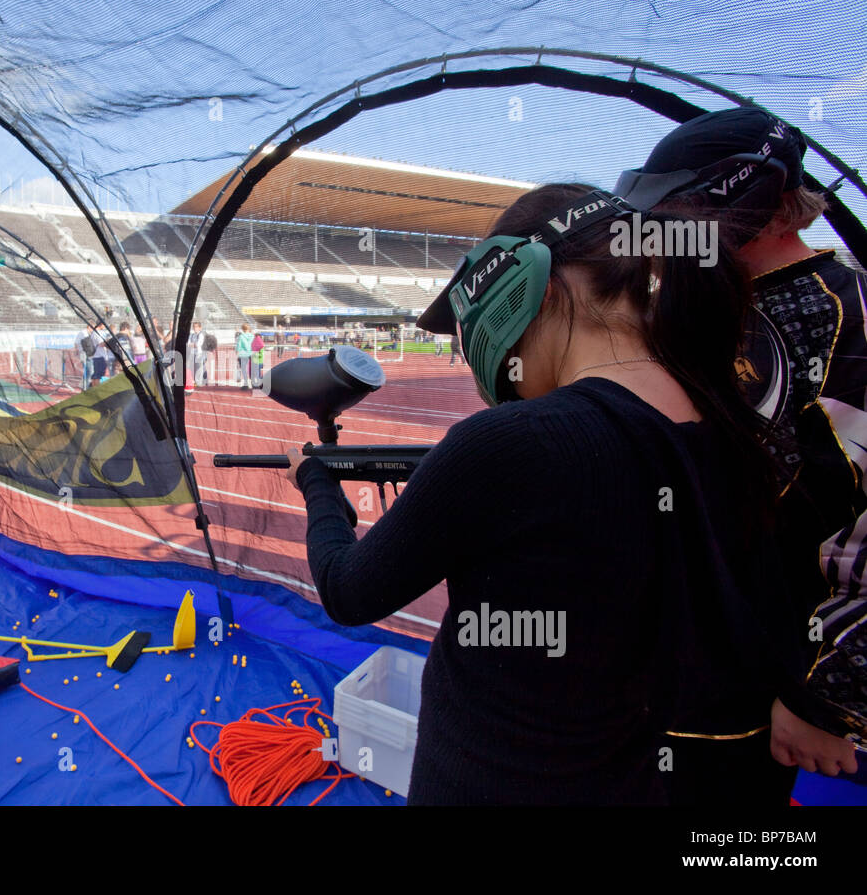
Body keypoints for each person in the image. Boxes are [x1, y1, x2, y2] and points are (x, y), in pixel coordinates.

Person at [286, 183, 792, 804]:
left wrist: (315, 481)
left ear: (534, 288)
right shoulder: (734, 429)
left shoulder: (510, 444)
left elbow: (348, 588)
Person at [617, 108, 865, 786]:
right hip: (677, 675)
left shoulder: (848, 314)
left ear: (772, 205)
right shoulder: (714, 311)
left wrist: (829, 691)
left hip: (764, 688)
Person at [76, 324, 97, 391]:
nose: (93, 330)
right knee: (89, 371)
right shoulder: (83, 333)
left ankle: (85, 386)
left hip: (88, 354)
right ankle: (86, 387)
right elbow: (77, 343)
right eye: (92, 328)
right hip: (85, 354)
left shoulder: (87, 333)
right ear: (89, 327)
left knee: (89, 371)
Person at [235, 323, 254, 389]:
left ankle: (246, 383)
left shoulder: (241, 336)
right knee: (252, 368)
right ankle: (253, 383)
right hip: (251, 353)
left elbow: (239, 345)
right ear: (248, 328)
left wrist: (237, 352)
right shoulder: (252, 336)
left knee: (243, 369)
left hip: (243, 354)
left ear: (242, 329)